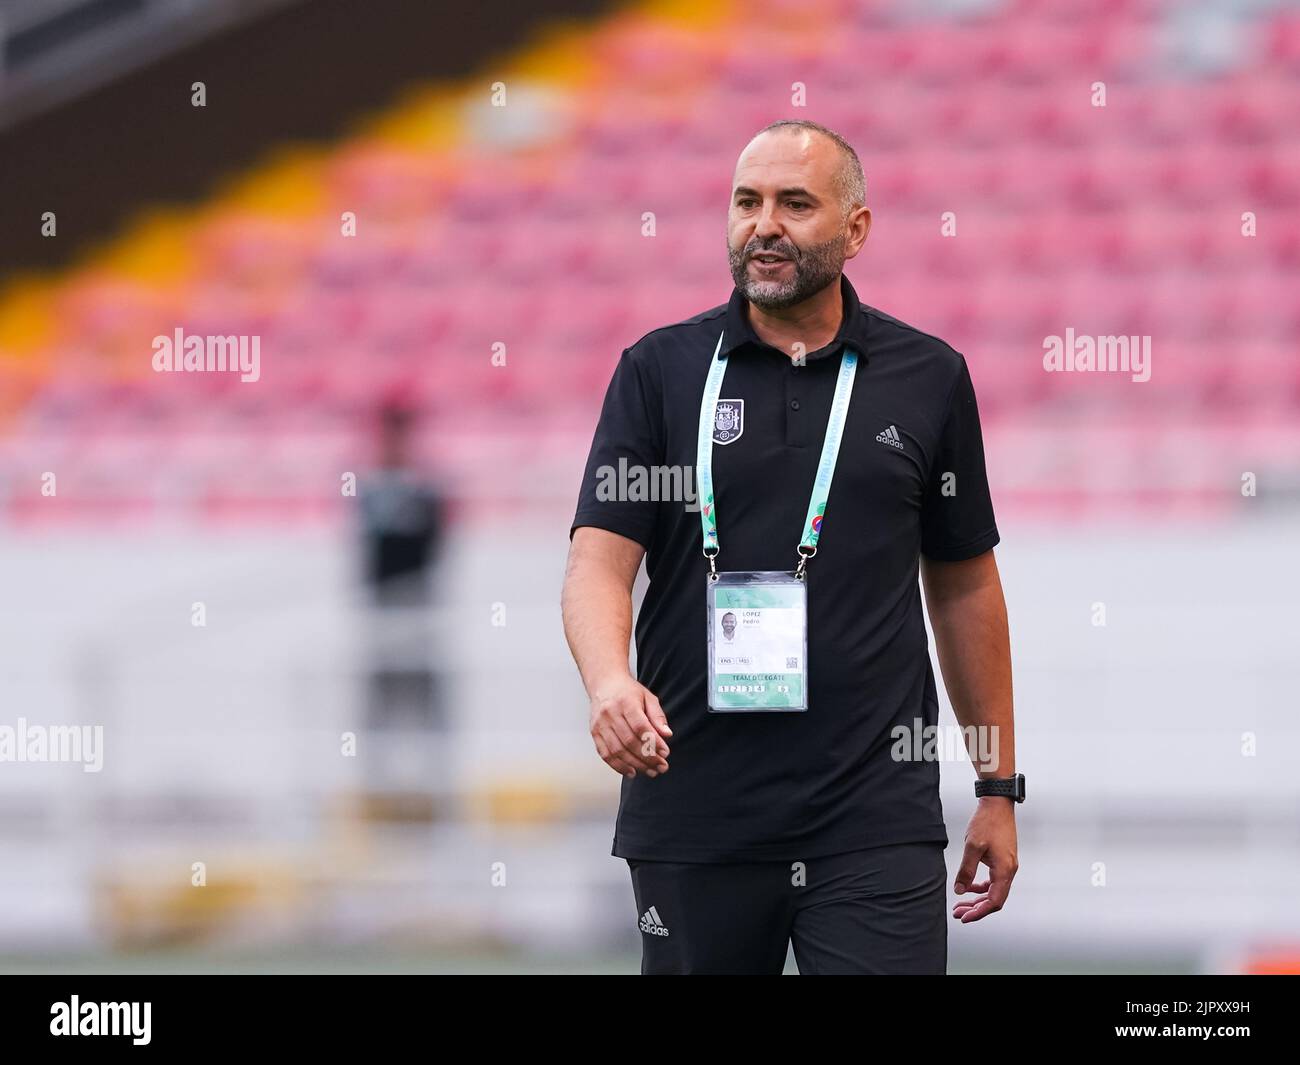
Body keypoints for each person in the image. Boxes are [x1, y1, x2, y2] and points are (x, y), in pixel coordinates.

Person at [562, 120, 1021, 974]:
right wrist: (608, 679)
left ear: (856, 229)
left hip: (873, 819)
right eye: (747, 202)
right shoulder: (658, 370)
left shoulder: (928, 376)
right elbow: (598, 557)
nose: (763, 224)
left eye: (794, 203)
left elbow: (964, 587)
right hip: (693, 814)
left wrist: (996, 785)